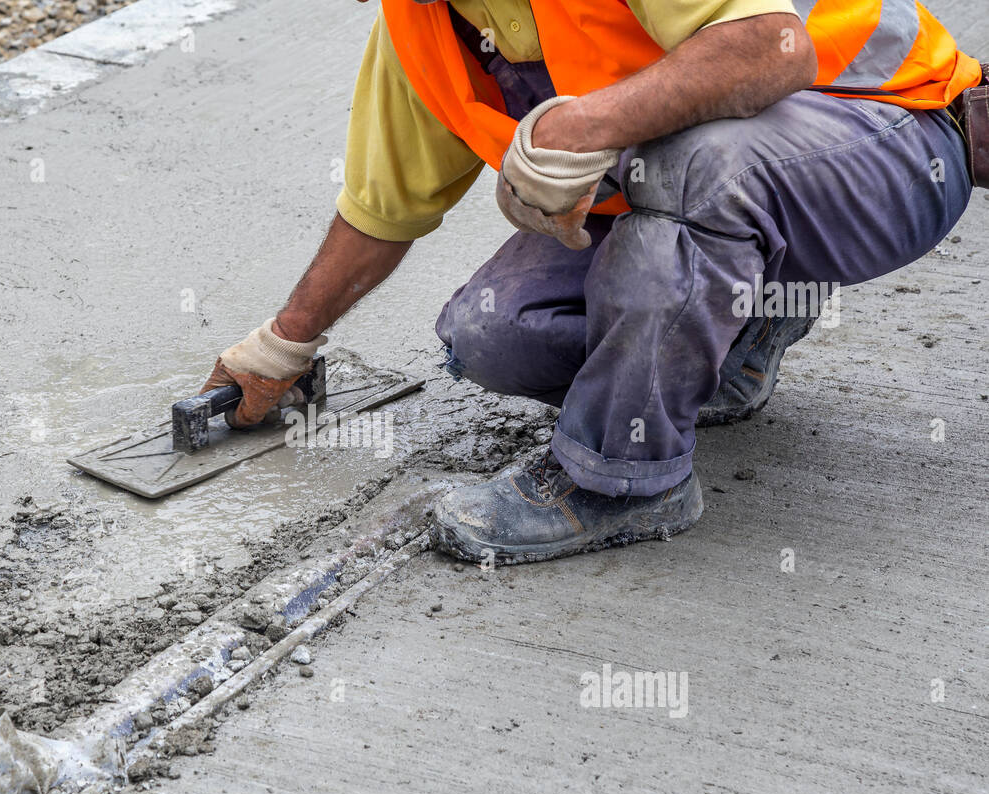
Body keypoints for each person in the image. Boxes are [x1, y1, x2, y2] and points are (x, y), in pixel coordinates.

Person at [201, 0, 983, 564]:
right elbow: (382, 208)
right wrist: (280, 347)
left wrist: (582, 127)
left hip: (891, 136)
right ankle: (746, 329)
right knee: (492, 332)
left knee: (696, 169)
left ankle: (625, 483)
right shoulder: (422, 23)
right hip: (717, 184)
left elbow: (772, 47)